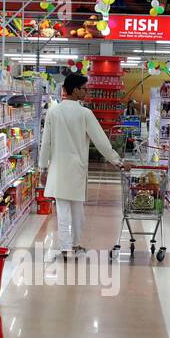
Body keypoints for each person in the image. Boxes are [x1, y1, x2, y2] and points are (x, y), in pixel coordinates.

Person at [38, 71, 119, 258]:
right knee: (77, 211)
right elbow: (101, 141)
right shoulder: (85, 113)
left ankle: (65, 248)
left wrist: (43, 167)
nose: (86, 92)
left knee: (62, 211)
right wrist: (117, 161)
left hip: (58, 169)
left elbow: (46, 143)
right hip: (77, 170)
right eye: (84, 89)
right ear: (74, 90)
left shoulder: (53, 112)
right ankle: (74, 244)